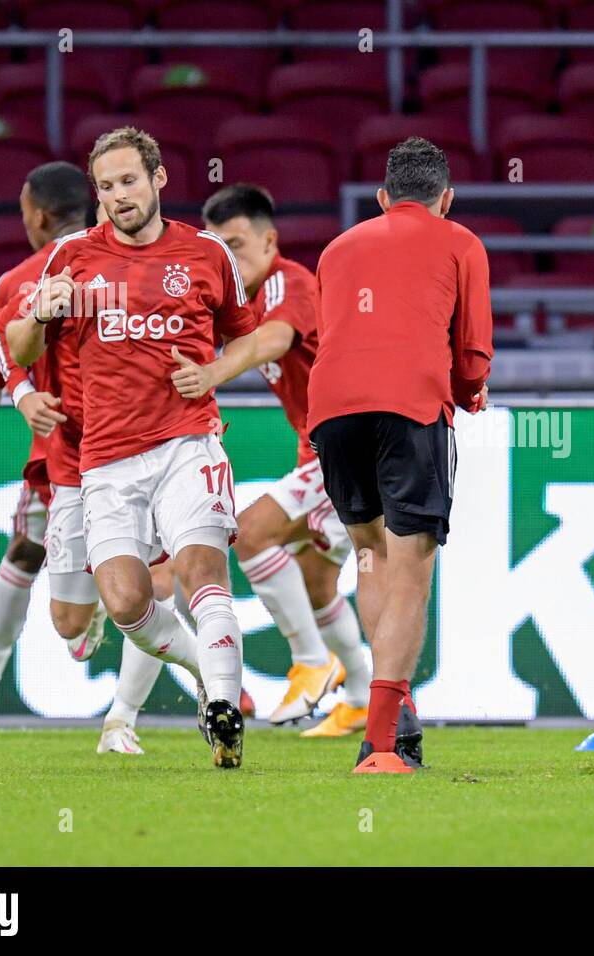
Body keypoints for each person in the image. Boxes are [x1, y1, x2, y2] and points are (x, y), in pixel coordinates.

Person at [7, 126, 260, 768]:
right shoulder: (70, 256)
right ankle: (211, 671)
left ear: (158, 179)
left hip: (187, 442)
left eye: (129, 181)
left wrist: (211, 375)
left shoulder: (205, 254)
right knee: (124, 602)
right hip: (106, 458)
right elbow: (18, 346)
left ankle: (225, 711)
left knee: (201, 568)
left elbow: (249, 339)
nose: (119, 196)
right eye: (107, 186)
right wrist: (41, 314)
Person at [307, 137, 493, 773]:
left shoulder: (335, 249)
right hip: (410, 406)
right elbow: (470, 354)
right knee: (412, 567)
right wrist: (469, 396)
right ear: (446, 198)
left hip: (330, 409)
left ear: (383, 198)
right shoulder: (461, 241)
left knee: (371, 556)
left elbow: (337, 331)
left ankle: (397, 709)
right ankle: (381, 745)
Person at [202, 183, 372, 735]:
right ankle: (364, 699)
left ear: (269, 239)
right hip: (326, 447)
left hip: (351, 443)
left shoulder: (288, 281)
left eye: (237, 244)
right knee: (318, 584)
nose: (229, 259)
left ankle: (313, 663)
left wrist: (211, 372)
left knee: (250, 534)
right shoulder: (242, 299)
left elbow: (275, 340)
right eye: (217, 249)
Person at [0, 162, 98, 736]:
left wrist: (20, 386)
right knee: (169, 562)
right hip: (145, 447)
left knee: (22, 556)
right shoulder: (127, 265)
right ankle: (224, 693)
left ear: (36, 215)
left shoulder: (17, 283)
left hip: (60, 459)